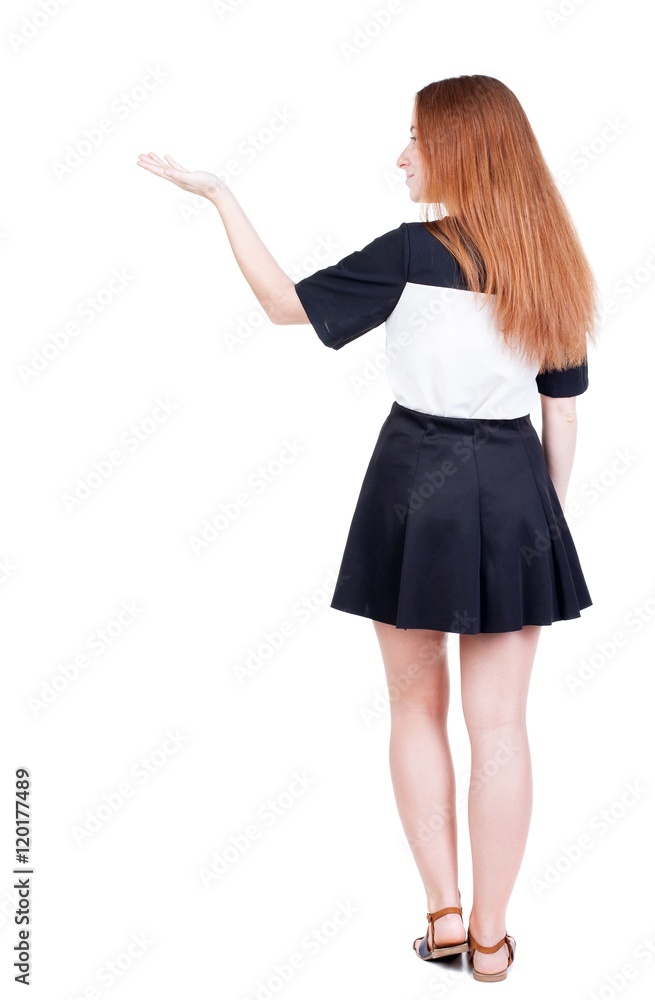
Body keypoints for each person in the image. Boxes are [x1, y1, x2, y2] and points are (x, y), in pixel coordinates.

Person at [136, 73, 599, 983]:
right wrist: (538, 527)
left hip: (410, 487)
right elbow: (565, 416)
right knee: (500, 726)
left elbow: (284, 306)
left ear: (458, 147)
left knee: (413, 708)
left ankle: (445, 913)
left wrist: (221, 196)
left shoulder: (410, 250)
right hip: (512, 491)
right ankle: (495, 942)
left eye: (414, 139)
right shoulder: (552, 259)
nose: (401, 155)